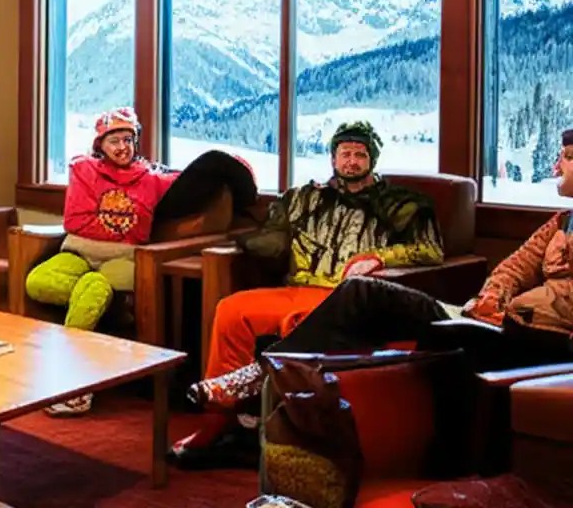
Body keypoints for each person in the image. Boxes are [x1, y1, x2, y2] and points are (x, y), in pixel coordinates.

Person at [187, 127, 573, 424]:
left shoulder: (400, 205)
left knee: (364, 301)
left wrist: (513, 314)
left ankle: (267, 383)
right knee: (362, 293)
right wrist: (492, 297)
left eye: (566, 159)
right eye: (345, 153)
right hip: (489, 320)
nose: (556, 167)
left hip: (537, 337)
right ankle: (266, 387)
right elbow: (513, 267)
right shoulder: (561, 221)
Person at [169, 121, 445, 466]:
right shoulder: (305, 199)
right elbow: (271, 239)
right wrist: (252, 238)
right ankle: (219, 419)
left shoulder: (402, 205)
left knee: (298, 324)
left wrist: (380, 258)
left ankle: (289, 431)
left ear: (372, 159)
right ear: (333, 158)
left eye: (360, 154)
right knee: (232, 310)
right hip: (298, 286)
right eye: (345, 153)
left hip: (342, 297)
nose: (352, 161)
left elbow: (430, 249)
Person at [25, 106, 257, 415]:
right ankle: (84, 325)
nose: (122, 147)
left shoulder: (151, 179)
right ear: (100, 145)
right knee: (37, 281)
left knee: (95, 287)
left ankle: (74, 386)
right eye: (114, 141)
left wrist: (237, 167)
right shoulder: (83, 169)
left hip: (124, 259)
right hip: (78, 251)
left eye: (128, 140)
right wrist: (127, 227)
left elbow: (196, 178)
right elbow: (75, 221)